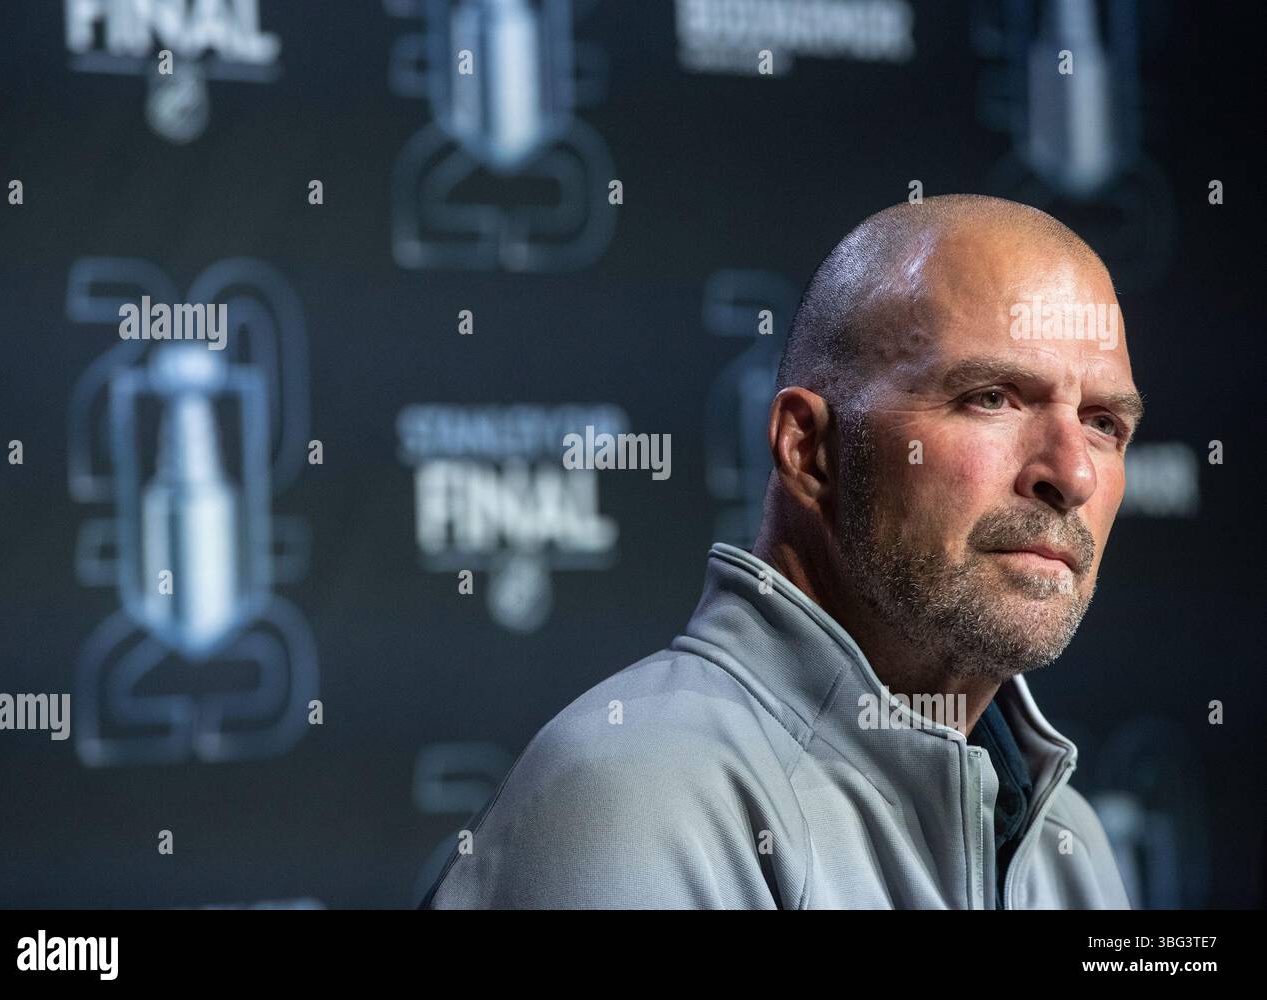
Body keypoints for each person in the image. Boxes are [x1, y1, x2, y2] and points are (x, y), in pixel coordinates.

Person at [420, 194, 1141, 909]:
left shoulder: (1066, 845)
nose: (1073, 474)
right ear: (810, 449)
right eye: (993, 398)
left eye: (1104, 423)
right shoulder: (638, 802)